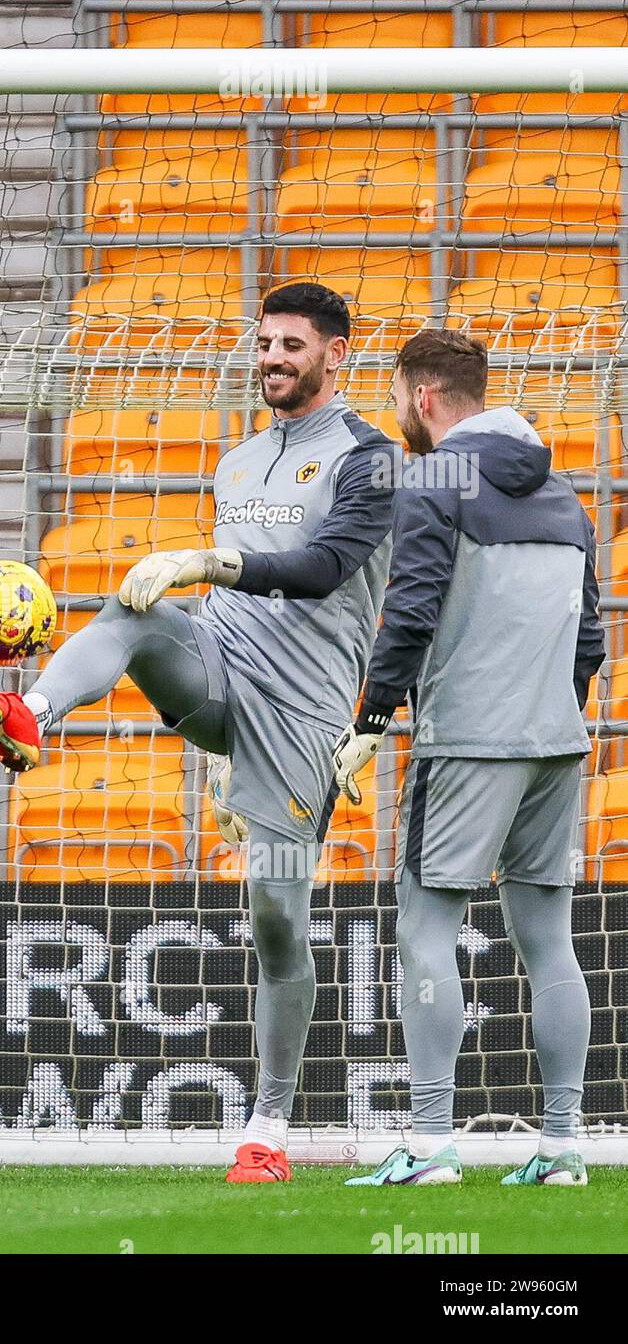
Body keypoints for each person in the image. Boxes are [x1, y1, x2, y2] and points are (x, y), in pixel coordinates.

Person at [0, 283, 398, 1182]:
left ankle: (267, 1126)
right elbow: (233, 600)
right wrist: (211, 736)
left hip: (302, 715)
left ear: (336, 354)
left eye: (291, 345)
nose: (272, 357)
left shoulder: (372, 459)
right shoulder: (237, 462)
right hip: (218, 671)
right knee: (134, 605)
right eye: (265, 343)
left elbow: (321, 569)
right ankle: (28, 715)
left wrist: (205, 559)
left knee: (276, 916)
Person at [336, 329, 604, 1188]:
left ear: (422, 399)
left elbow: (409, 611)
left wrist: (372, 718)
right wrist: (548, 711)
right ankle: (562, 1148)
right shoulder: (568, 496)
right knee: (550, 942)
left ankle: (428, 1145)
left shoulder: (433, 483)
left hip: (463, 745)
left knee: (424, 932)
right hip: (557, 746)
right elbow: (589, 638)